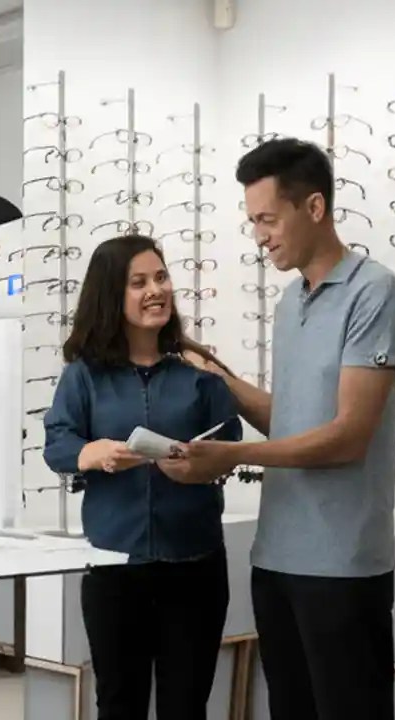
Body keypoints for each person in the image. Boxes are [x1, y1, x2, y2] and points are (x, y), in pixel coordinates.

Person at [177, 138, 395, 720]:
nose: (259, 235)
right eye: (252, 221)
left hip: (341, 564)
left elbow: (349, 435)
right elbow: (293, 418)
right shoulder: (290, 303)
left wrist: (232, 456)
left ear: (313, 208)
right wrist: (220, 378)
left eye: (267, 218)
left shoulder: (374, 293)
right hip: (276, 557)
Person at [42, 234, 243, 720]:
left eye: (160, 277)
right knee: (119, 704)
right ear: (112, 294)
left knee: (186, 705)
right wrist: (93, 453)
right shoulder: (84, 376)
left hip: (194, 567)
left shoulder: (198, 373)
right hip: (115, 569)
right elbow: (58, 446)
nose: (156, 290)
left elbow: (232, 444)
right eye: (138, 282)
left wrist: (202, 462)